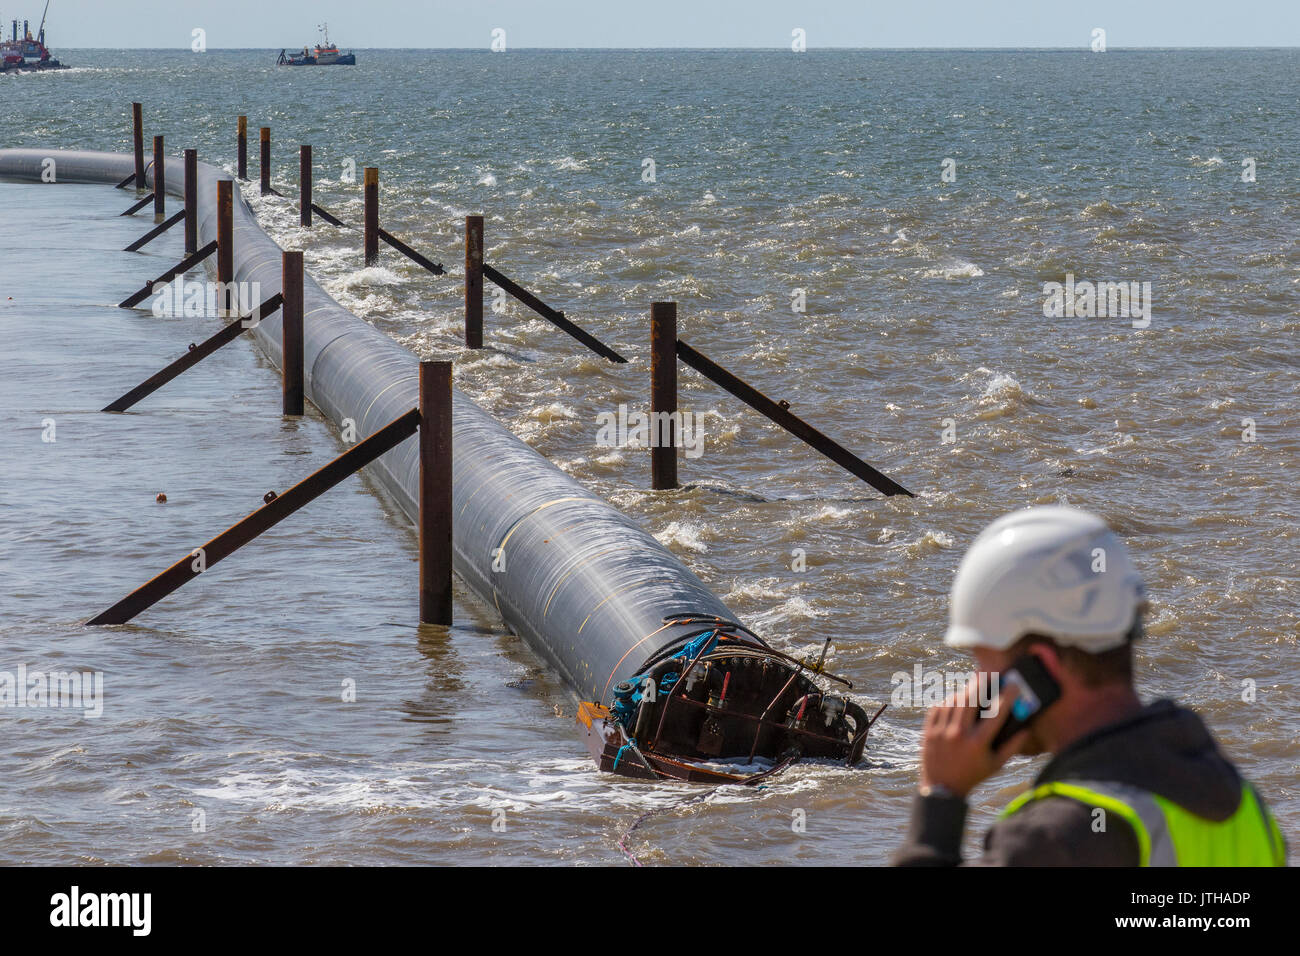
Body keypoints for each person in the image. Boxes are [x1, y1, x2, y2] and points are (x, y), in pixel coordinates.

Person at [892, 505, 1286, 866]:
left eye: (982, 663)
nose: (976, 685)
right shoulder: (1242, 803)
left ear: (1038, 668)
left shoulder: (1050, 840)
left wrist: (941, 799)